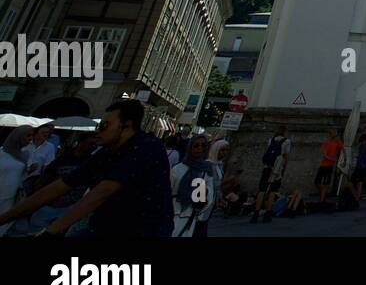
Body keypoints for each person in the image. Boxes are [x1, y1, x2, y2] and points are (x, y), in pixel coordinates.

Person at [0, 100, 172, 238]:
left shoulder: (147, 146)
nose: (98, 131)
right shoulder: (106, 152)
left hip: (144, 230)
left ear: (126, 125)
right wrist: (4, 218)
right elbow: (59, 186)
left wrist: (52, 230)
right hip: (105, 226)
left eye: (105, 126)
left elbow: (103, 192)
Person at [171, 135, 219, 237]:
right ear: (190, 147)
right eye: (196, 145)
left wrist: (204, 195)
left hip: (190, 216)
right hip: (173, 213)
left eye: (203, 146)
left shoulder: (206, 171)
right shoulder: (177, 169)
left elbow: (207, 195)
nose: (200, 148)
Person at [250, 126, 291, 223]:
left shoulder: (271, 140)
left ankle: (256, 213)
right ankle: (268, 214)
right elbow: (286, 157)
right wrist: (284, 170)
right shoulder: (287, 141)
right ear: (285, 132)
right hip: (277, 169)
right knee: (272, 191)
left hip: (267, 168)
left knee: (262, 190)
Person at [0, 126, 34, 237]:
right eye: (27, 135)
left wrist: (29, 170)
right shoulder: (1, 153)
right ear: (17, 136)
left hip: (11, 196)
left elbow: (21, 175)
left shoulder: (25, 155)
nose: (30, 138)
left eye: (31, 135)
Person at [316, 127, 344, 203]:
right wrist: (333, 159)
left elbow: (343, 149)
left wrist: (341, 159)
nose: (334, 134)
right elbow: (325, 155)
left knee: (325, 183)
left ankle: (322, 200)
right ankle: (322, 196)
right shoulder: (326, 142)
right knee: (317, 183)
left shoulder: (337, 142)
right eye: (332, 133)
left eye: (334, 133)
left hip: (329, 166)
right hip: (323, 165)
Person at [350, 133, 366, 202]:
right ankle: (356, 196)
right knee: (351, 183)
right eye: (362, 142)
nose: (362, 143)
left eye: (363, 141)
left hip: (363, 166)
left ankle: (357, 197)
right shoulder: (361, 146)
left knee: (359, 182)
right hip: (358, 165)